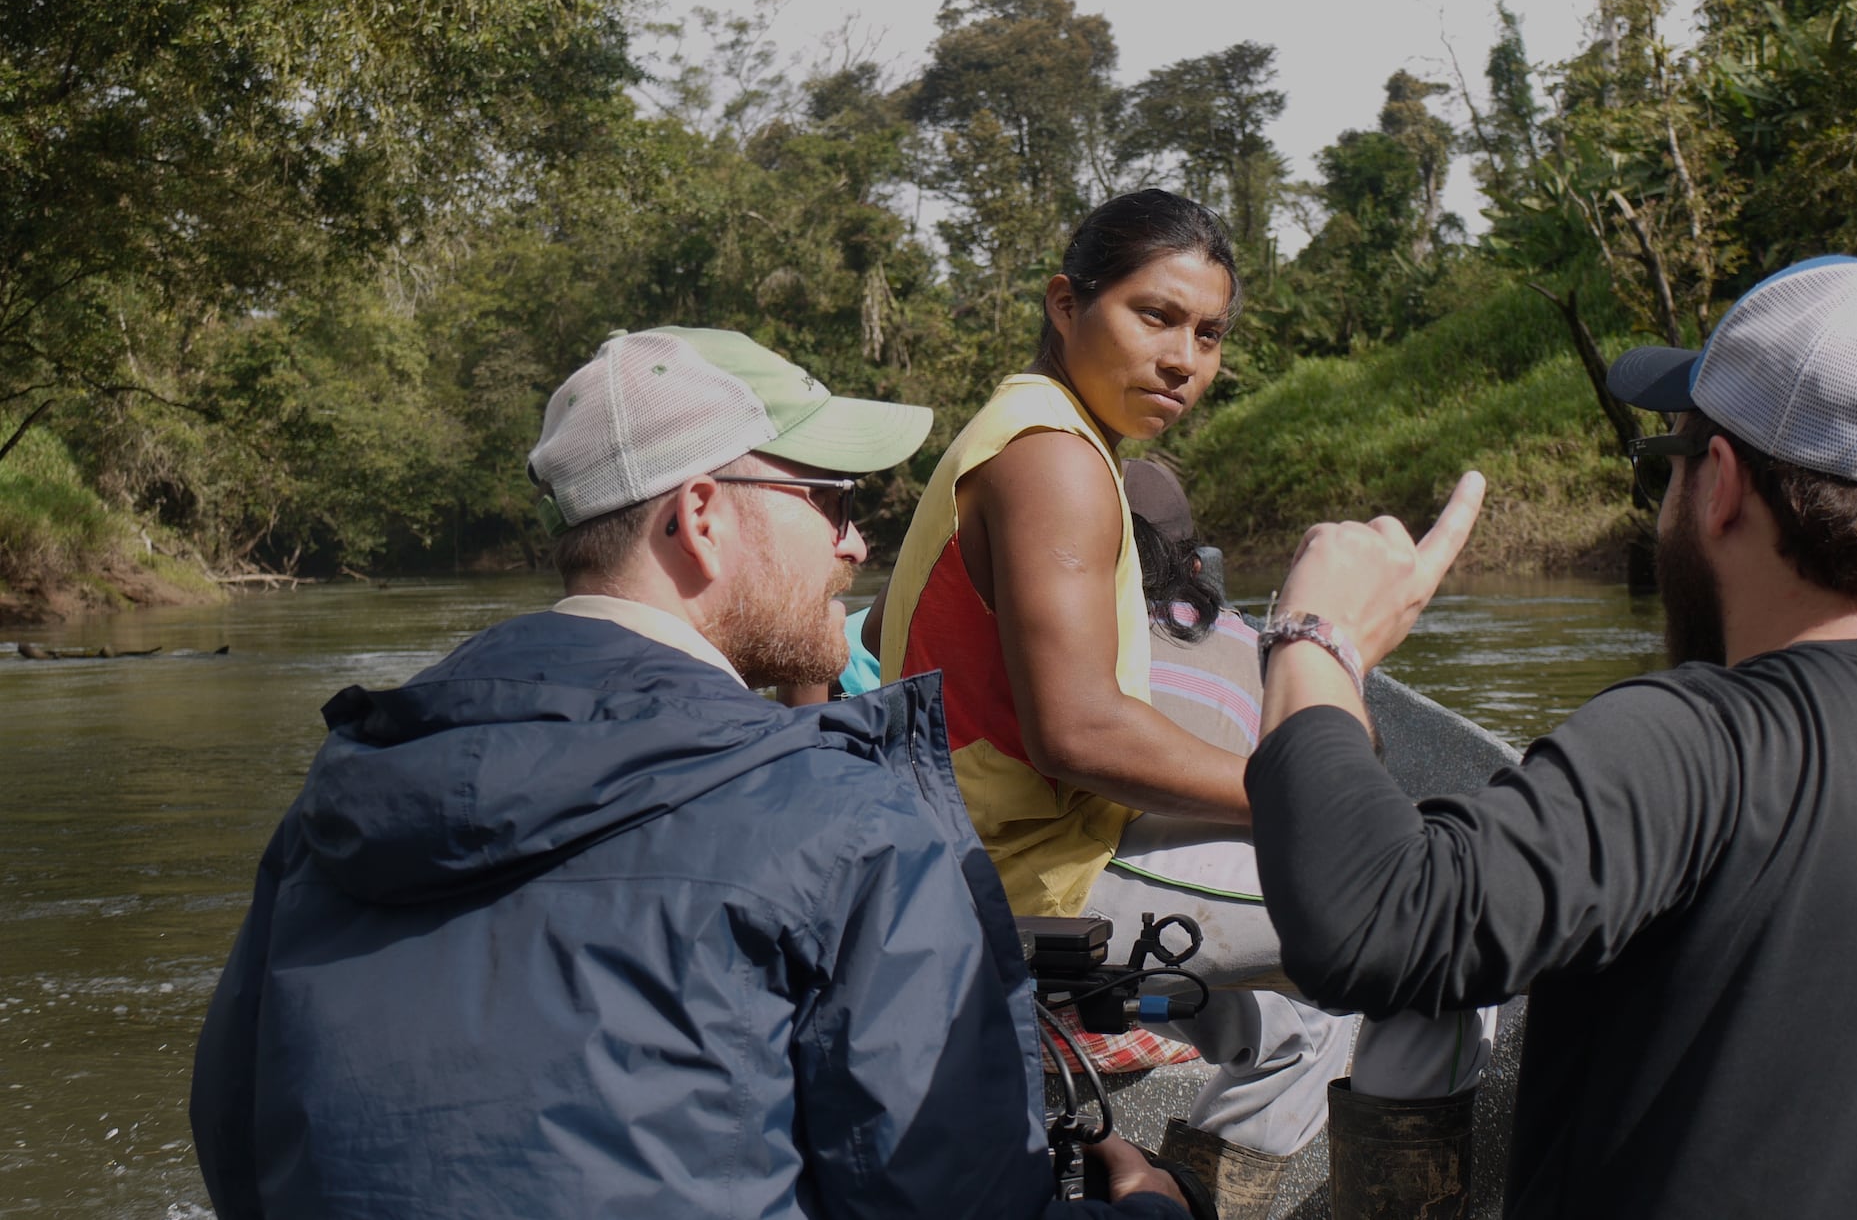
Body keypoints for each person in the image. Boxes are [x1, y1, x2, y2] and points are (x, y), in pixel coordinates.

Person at [189, 327, 1191, 1219]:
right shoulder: (844, 819)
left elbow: (237, 1145)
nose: (854, 542)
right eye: (828, 498)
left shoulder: (340, 796)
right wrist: (1147, 1204)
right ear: (703, 514)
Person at [1246, 255, 1857, 1217]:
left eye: (1668, 459)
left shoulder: (1693, 746)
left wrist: (1315, 638)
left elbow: (1371, 921)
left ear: (1718, 485)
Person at [878, 190, 1489, 1215]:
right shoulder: (1054, 461)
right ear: (1066, 304)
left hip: (992, 844)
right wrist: (1306, 799)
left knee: (1302, 1012)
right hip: (1035, 873)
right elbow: (1079, 731)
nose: (1183, 360)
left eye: (1207, 335)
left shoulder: (1030, 432)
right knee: (1437, 940)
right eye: (1153, 316)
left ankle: (1201, 1185)